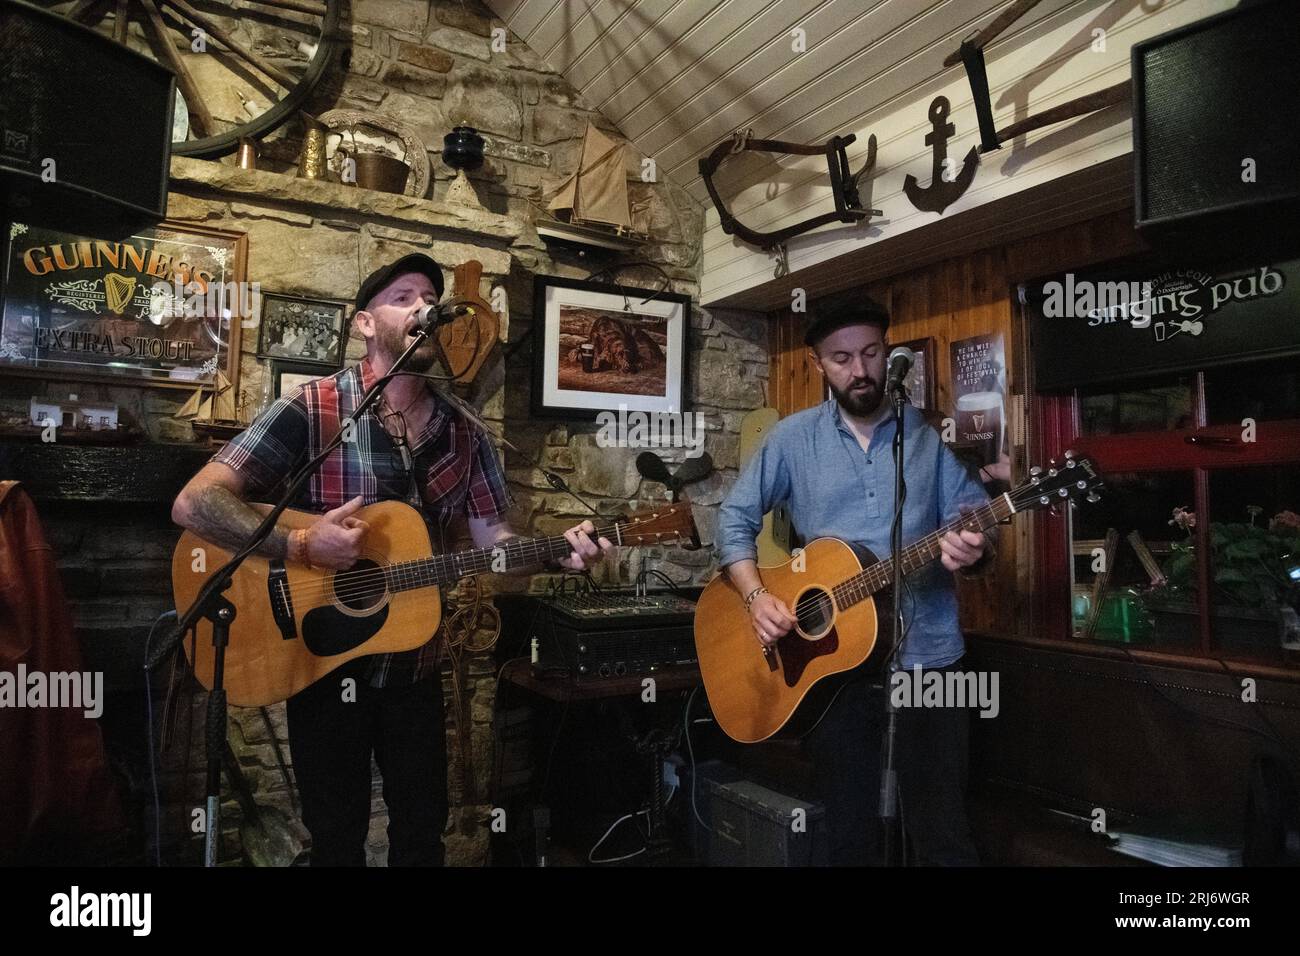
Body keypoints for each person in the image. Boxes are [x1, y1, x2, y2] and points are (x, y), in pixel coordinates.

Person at [173, 253, 613, 866]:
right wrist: (300, 545)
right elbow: (195, 503)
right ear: (363, 324)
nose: (423, 306)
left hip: (414, 669)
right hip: (324, 667)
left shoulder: (467, 433)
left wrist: (554, 554)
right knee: (336, 839)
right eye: (403, 297)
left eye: (429, 296)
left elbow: (498, 548)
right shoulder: (315, 408)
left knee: (420, 835)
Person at [715, 293, 993, 866]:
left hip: (929, 663)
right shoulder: (792, 440)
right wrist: (756, 596)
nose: (860, 370)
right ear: (819, 365)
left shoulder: (929, 436)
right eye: (841, 359)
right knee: (850, 833)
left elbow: (974, 527)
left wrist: (975, 548)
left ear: (887, 352)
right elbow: (733, 519)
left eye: (870, 353)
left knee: (943, 832)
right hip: (832, 674)